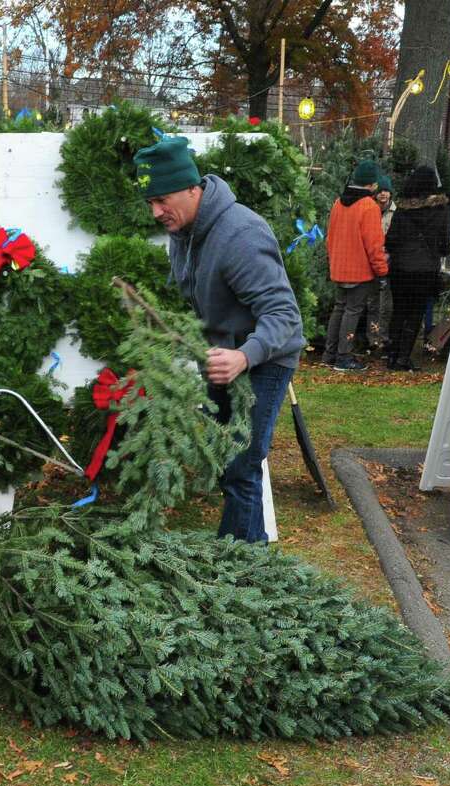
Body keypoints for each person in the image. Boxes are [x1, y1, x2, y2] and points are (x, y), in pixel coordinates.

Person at [133, 136, 304, 544]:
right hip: (222, 357)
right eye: (149, 203)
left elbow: (284, 316)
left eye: (162, 200)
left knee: (242, 461)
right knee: (224, 460)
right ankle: (242, 559)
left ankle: (243, 565)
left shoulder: (240, 234)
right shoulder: (184, 232)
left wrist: (244, 357)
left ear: (192, 188)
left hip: (265, 357)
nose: (156, 212)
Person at [322, 160, 389, 371]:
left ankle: (329, 354)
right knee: (352, 311)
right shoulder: (369, 206)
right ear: (372, 184)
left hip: (339, 267)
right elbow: (374, 245)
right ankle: (343, 357)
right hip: (360, 270)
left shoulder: (338, 203)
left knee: (340, 309)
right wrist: (382, 271)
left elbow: (329, 237)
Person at [384, 165, 450, 372]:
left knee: (399, 311)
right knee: (415, 313)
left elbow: (390, 241)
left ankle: (392, 355)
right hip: (425, 270)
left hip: (400, 269)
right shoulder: (440, 211)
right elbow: (445, 244)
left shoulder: (402, 211)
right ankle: (403, 357)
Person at [364, 174, 397, 352]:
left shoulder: (395, 212)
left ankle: (383, 337)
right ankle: (372, 338)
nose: (383, 194)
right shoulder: (369, 209)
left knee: (387, 303)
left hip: (389, 262)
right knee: (372, 302)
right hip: (371, 261)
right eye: (380, 191)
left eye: (386, 191)